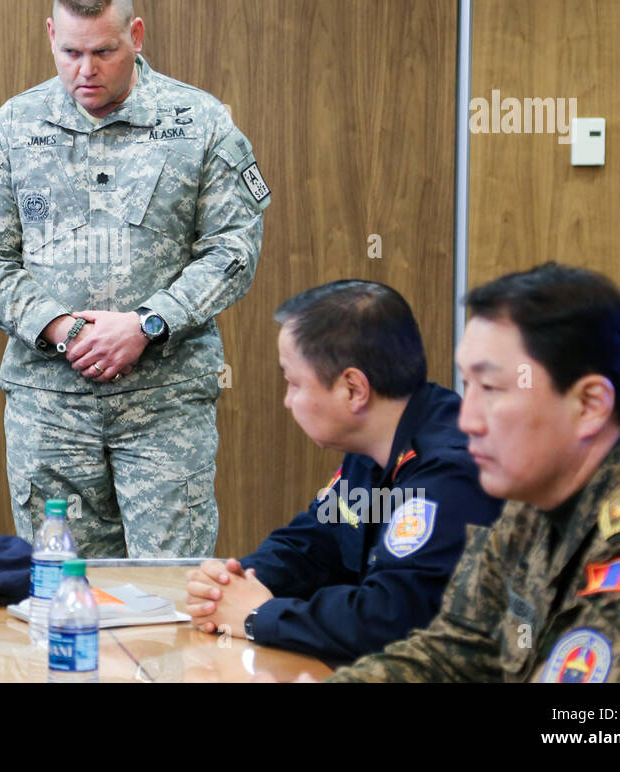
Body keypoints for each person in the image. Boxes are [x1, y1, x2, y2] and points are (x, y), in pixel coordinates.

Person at [0, 0, 271, 557]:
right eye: (71, 51)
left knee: (173, 592)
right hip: (49, 407)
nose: (86, 70)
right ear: (50, 34)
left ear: (137, 35)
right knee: (63, 591)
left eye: (104, 51)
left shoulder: (200, 123)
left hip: (164, 405)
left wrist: (148, 324)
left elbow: (232, 250)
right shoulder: (13, 127)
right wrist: (62, 327)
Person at [323, 263, 620, 682]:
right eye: (468, 387)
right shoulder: (537, 498)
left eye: (493, 390)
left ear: (589, 406)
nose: (468, 421)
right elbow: (455, 649)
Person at [184, 281, 502, 663]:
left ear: (353, 389)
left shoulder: (449, 472)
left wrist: (259, 616)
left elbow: (389, 617)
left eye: (293, 383)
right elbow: (315, 539)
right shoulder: (373, 444)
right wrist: (234, 582)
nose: (288, 401)